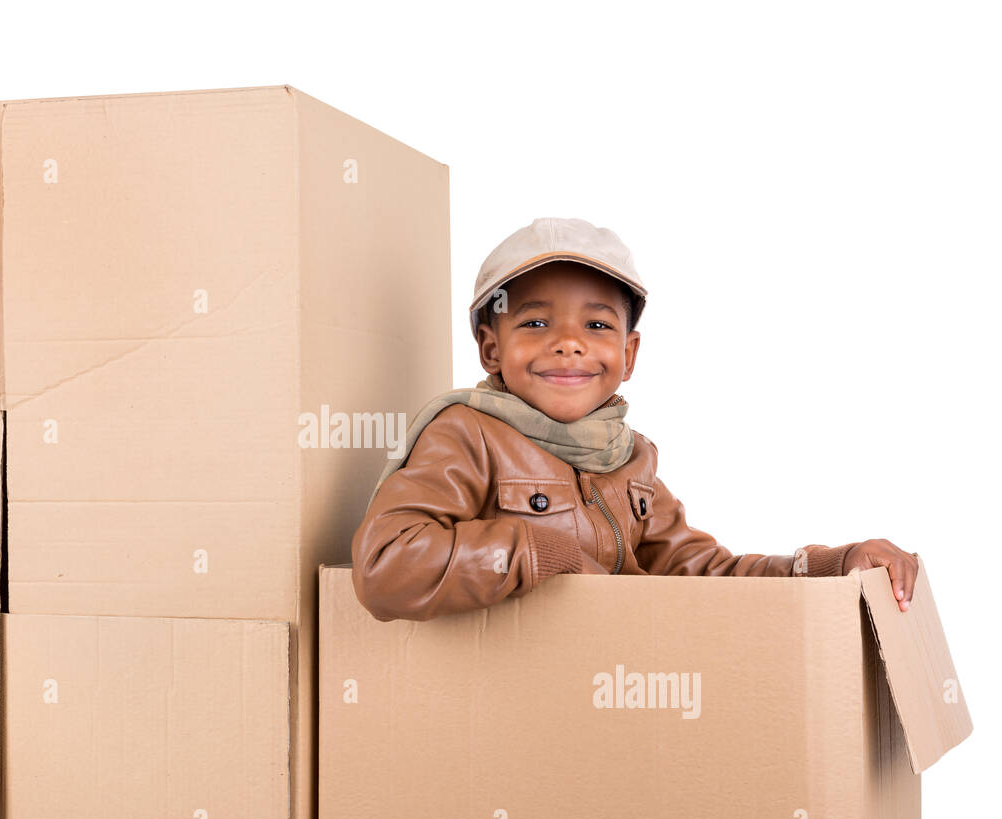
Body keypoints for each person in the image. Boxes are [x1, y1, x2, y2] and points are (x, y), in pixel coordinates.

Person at [350, 217, 918, 623]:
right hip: (503, 709)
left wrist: (830, 565)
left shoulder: (630, 461)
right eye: (536, 324)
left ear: (629, 354)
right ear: (491, 350)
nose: (569, 344)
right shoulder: (466, 435)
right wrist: (541, 551)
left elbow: (701, 575)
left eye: (596, 326)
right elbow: (386, 565)